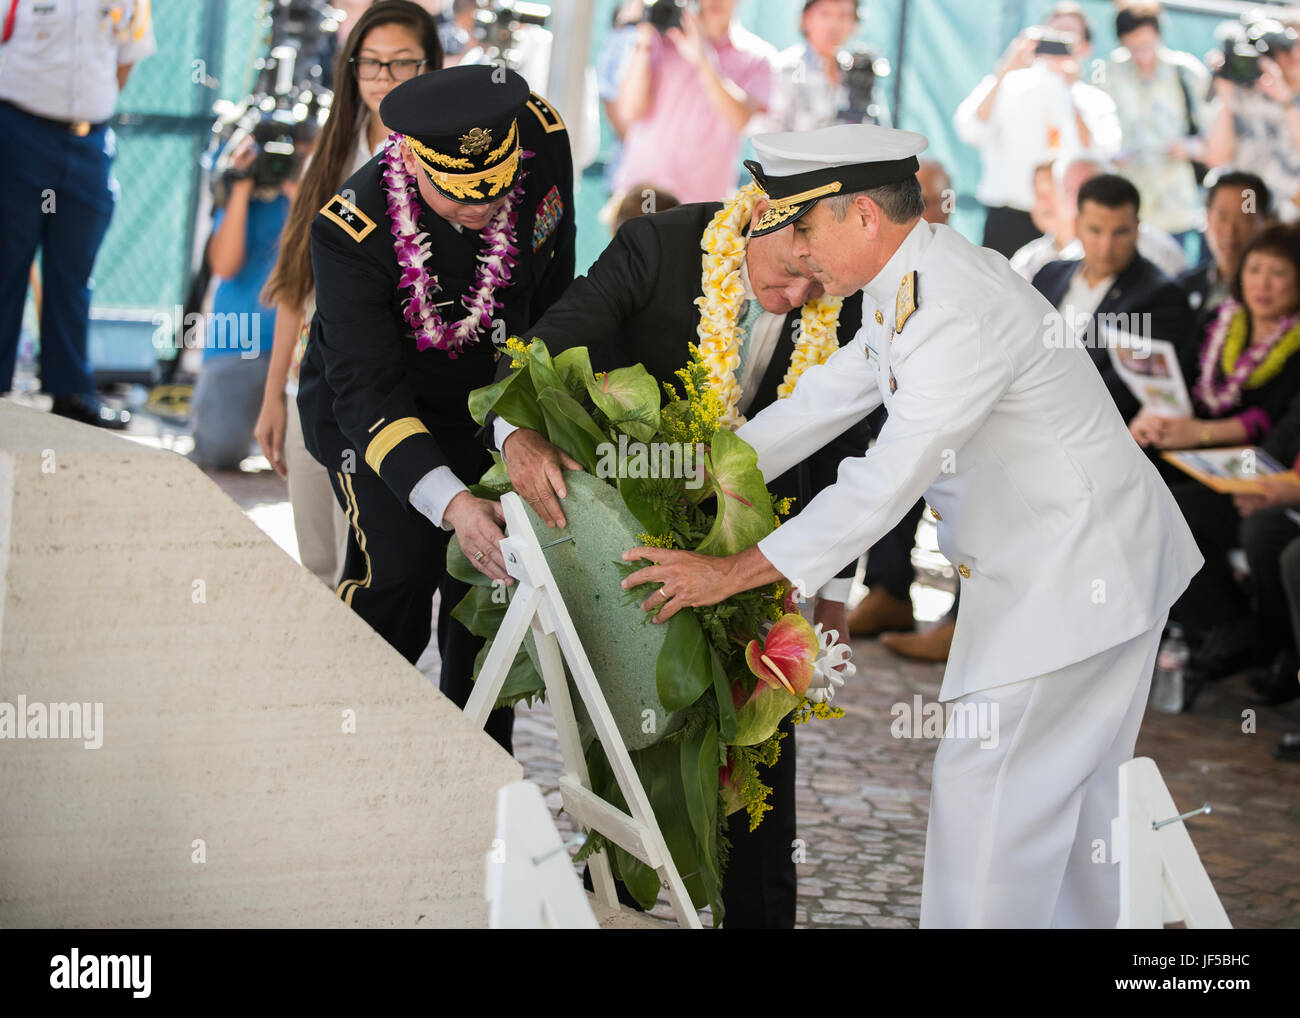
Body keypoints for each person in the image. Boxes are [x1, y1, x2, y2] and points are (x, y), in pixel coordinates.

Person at [616, 123, 1202, 928]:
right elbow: (822, 402)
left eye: (803, 227)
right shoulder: (912, 280)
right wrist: (691, 479)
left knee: (991, 803)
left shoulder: (952, 308)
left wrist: (728, 573)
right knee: (1074, 816)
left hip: (1074, 581)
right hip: (1075, 570)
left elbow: (882, 483)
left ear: (863, 216)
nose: (795, 250)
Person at [491, 182, 869, 929]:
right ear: (758, 216)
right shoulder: (658, 247)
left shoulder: (847, 292)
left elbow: (851, 459)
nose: (800, 295)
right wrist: (514, 435)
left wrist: (830, 596)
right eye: (790, 271)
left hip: (766, 547)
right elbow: (546, 344)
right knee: (630, 737)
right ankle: (617, 906)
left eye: (816, 281)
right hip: (637, 526)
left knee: (761, 741)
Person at [296, 64, 575, 753]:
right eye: (459, 197)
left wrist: (516, 423)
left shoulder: (541, 138)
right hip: (384, 412)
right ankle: (342, 752)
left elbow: (549, 299)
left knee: (488, 598)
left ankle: (478, 771)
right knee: (397, 574)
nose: (483, 208)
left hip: (496, 400)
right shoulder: (350, 230)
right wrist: (451, 504)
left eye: (496, 189)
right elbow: (366, 390)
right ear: (414, 160)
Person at [257, 0, 443, 587]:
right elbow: (295, 283)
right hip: (311, 385)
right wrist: (274, 396)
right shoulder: (330, 153)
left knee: (367, 567)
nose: (383, 77)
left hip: (387, 393)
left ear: (431, 65)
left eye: (402, 62)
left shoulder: (444, 161)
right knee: (316, 562)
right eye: (370, 62)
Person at [1130, 225, 1300, 680]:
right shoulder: (1217, 322)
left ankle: (1240, 631)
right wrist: (1154, 416)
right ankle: (1212, 624)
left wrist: (1201, 434)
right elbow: (1180, 388)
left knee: (1181, 510)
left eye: (1278, 273)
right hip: (1196, 456)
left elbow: (1271, 423)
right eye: (1255, 270)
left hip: (1256, 469)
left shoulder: (1296, 344)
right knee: (1139, 483)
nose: (1263, 283)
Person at [0, 0, 155, 427]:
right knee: (6, 264)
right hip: (18, 133)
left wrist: (87, 113)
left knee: (73, 273)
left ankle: (70, 394)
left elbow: (126, 59)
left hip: (89, 142)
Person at [953, 2, 1119, 258]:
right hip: (1009, 216)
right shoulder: (1008, 84)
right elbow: (971, 129)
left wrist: (1071, 93)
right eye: (1052, 33)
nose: (1058, 40)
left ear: (1085, 47)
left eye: (1067, 35)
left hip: (1070, 222)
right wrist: (1006, 68)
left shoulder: (1093, 100)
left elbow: (1101, 153)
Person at [1032, 173, 1196, 423]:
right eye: (1095, 230)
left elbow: (1127, 391)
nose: (1106, 246)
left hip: (1092, 425)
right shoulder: (1049, 275)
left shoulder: (1161, 295)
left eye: (1120, 232)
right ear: (1077, 226)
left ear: (1137, 229)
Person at [189, 137, 295, 470]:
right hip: (239, 340)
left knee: (302, 461)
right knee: (217, 453)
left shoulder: (317, 183)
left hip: (300, 351)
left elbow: (315, 258)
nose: (277, 163)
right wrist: (241, 187)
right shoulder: (240, 187)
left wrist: (301, 195)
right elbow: (224, 266)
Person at [613, 0, 774, 203]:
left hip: (702, 202)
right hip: (643, 195)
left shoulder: (757, 57)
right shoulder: (658, 40)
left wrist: (704, 61)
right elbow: (629, 110)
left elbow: (741, 121)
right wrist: (644, 38)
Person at [1103, 2, 1211, 252]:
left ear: (1158, 35)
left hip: (1177, 207)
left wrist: (1190, 148)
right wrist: (1111, 154)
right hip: (1129, 204)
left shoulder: (1186, 71)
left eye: (1147, 45)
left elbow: (1215, 135)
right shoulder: (1109, 72)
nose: (1142, 55)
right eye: (1133, 47)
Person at [1010, 155, 1186, 282]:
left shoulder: (1155, 250)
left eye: (1089, 188)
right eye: (1070, 191)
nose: (1079, 199)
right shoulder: (1031, 260)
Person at [1204, 17, 1300, 223]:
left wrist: (1285, 100)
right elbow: (1217, 159)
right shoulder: (1242, 96)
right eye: (1284, 49)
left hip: (1289, 214)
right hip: (1246, 209)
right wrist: (1226, 99)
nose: (1293, 55)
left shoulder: (1291, 101)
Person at [761, 0, 891, 134]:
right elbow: (771, 136)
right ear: (806, 19)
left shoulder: (860, 72)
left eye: (844, 16)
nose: (834, 24)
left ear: (855, 24)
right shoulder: (786, 70)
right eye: (825, 14)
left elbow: (882, 132)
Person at [1179, 170, 1274, 335]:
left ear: (1266, 223)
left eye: (1243, 219)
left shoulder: (1273, 292)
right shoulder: (1182, 286)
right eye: (1221, 217)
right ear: (1207, 219)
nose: (1230, 231)